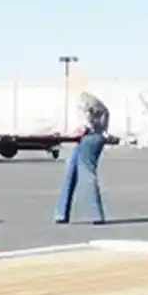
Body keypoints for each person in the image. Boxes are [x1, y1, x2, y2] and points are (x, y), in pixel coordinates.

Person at [54, 91, 110, 225]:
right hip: (92, 136)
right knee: (71, 173)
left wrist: (68, 135)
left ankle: (96, 215)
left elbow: (86, 125)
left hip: (90, 138)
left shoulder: (83, 101)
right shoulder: (93, 100)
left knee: (87, 174)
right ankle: (61, 213)